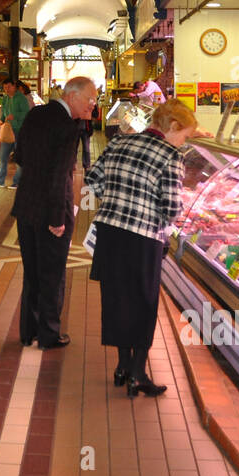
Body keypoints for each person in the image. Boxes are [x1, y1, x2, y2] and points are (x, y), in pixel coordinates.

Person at [85, 100, 199, 397]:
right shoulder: (170, 155)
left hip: (109, 234)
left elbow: (92, 182)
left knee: (117, 300)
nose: (184, 141)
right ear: (172, 127)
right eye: (185, 135)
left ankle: (122, 366)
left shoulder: (119, 142)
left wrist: (119, 198)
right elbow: (172, 208)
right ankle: (138, 373)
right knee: (144, 305)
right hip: (142, 239)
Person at [11, 76, 98, 350]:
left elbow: (20, 156)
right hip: (51, 211)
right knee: (52, 273)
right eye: (90, 100)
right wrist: (58, 218)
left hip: (26, 206)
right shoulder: (67, 127)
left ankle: (28, 332)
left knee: (33, 272)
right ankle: (49, 334)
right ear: (71, 96)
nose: (93, 107)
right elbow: (60, 176)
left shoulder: (36, 113)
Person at [0, 79, 31, 188]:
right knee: (3, 156)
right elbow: (4, 112)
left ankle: (17, 181)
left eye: (9, 87)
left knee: (19, 157)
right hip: (7, 131)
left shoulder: (21, 98)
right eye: (5, 87)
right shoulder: (5, 98)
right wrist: (1, 120)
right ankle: (0, 181)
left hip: (19, 130)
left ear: (14, 86)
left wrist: (15, 117)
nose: (7, 90)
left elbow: (26, 113)